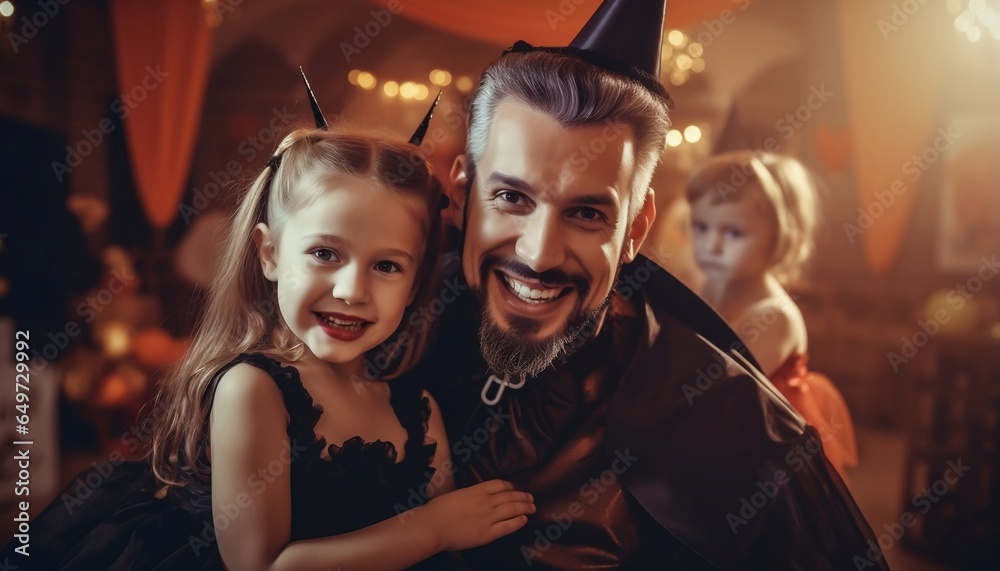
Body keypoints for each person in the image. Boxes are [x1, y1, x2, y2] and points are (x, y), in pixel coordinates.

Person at [407, 0, 889, 568]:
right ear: (462, 195)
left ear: (636, 229)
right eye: (512, 197)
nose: (538, 254)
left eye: (587, 214)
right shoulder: (382, 326)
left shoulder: (725, 417)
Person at [0, 75, 535, 571]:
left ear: (416, 282)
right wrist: (433, 528)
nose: (351, 289)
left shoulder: (418, 410)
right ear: (270, 253)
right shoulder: (253, 389)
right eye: (325, 253)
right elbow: (259, 564)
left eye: (387, 265)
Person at [687, 151, 859, 480]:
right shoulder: (706, 288)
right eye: (701, 227)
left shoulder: (774, 317)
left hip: (759, 455)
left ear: (780, 237)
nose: (712, 245)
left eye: (733, 233)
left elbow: (721, 397)